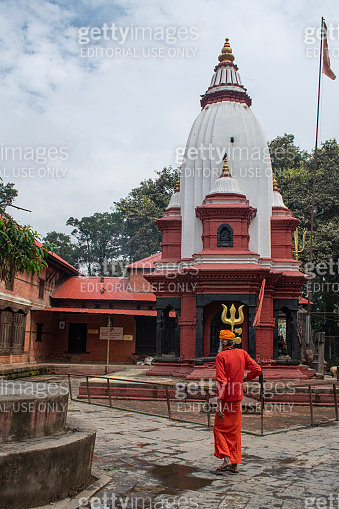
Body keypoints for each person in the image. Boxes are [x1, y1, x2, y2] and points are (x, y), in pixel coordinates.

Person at [214, 329, 261, 474]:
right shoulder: (242, 353)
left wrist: (219, 402)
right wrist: (246, 378)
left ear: (223, 342)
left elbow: (222, 381)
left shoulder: (221, 356)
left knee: (219, 429)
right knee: (235, 432)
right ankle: (234, 465)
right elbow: (257, 369)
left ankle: (227, 459)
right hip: (238, 398)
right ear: (233, 342)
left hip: (227, 398)